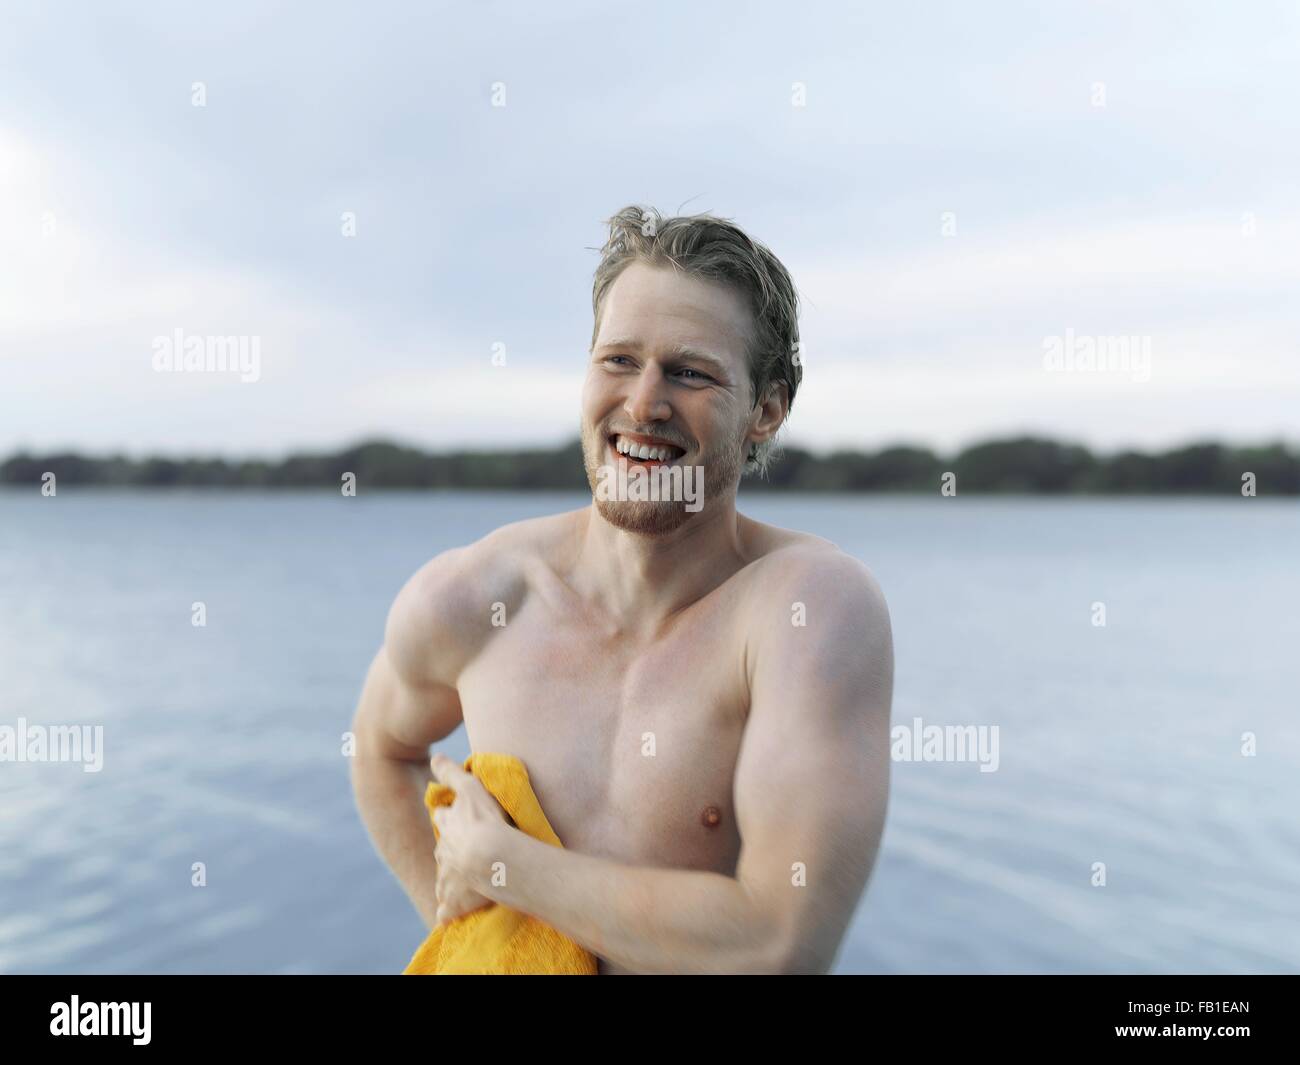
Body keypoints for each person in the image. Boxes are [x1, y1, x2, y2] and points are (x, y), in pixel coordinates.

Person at [350, 205, 893, 974]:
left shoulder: (805, 611)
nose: (643, 403)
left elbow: (780, 941)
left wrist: (500, 865)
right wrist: (464, 938)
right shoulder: (474, 597)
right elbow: (382, 747)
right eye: (618, 360)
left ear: (766, 409)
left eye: (690, 372)